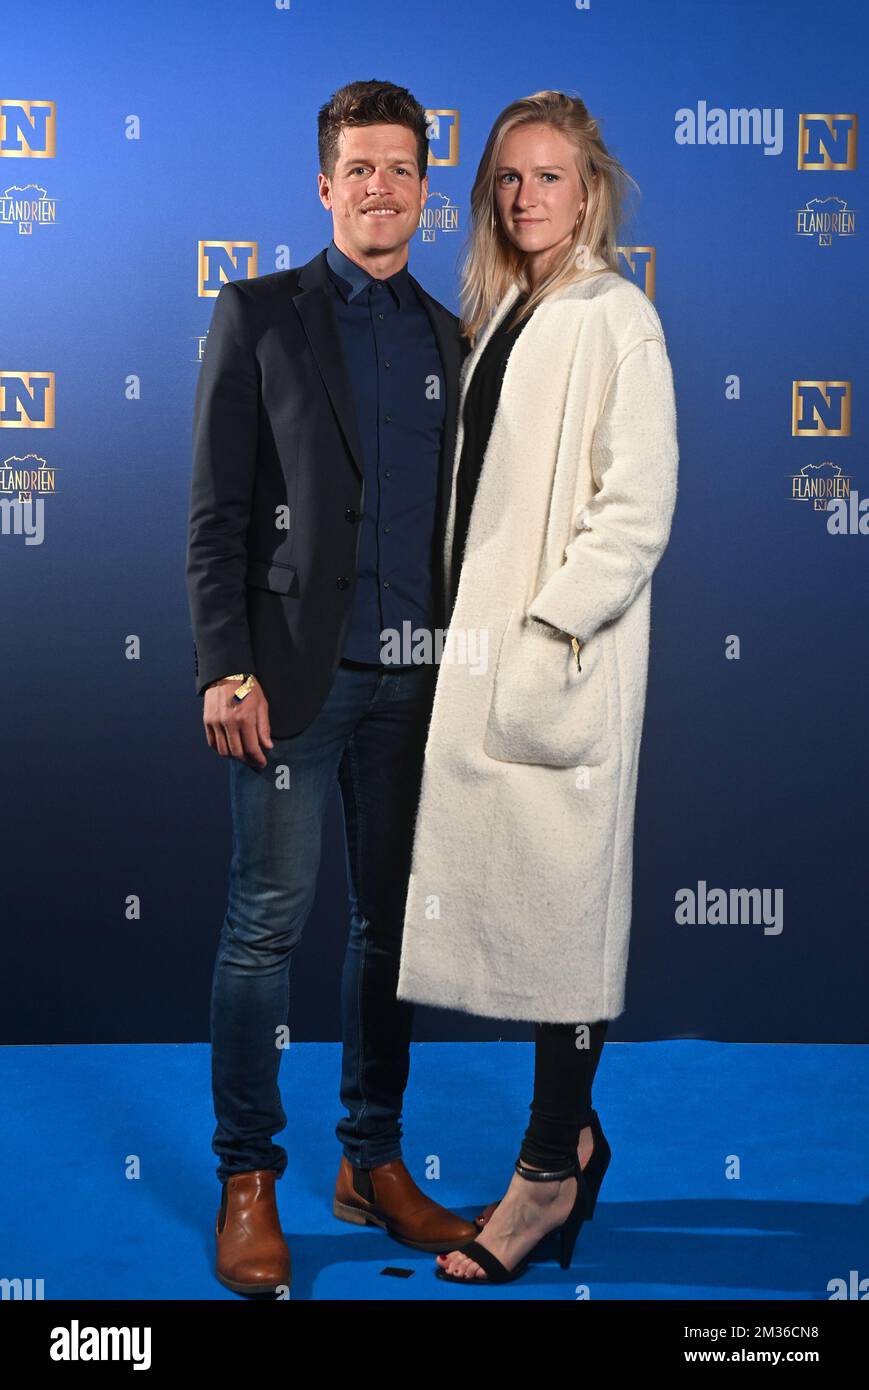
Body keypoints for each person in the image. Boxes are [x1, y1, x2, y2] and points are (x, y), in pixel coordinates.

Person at [186, 78, 477, 1296]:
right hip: (288, 681)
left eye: (400, 167)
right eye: (358, 167)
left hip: (418, 687)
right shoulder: (257, 314)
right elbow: (217, 509)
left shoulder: (451, 336)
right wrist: (224, 663)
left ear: (426, 188)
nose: (379, 187)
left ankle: (371, 1161)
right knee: (265, 926)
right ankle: (248, 1176)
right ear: (323, 185)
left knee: (390, 930)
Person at [395, 90, 680, 1284]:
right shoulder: (507, 308)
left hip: (556, 668)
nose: (524, 197)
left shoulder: (617, 318)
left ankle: (543, 1176)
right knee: (522, 922)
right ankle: (574, 1138)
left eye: (548, 176)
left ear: (590, 190)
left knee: (566, 929)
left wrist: (545, 628)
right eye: (507, 178)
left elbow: (636, 508)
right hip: (483, 666)